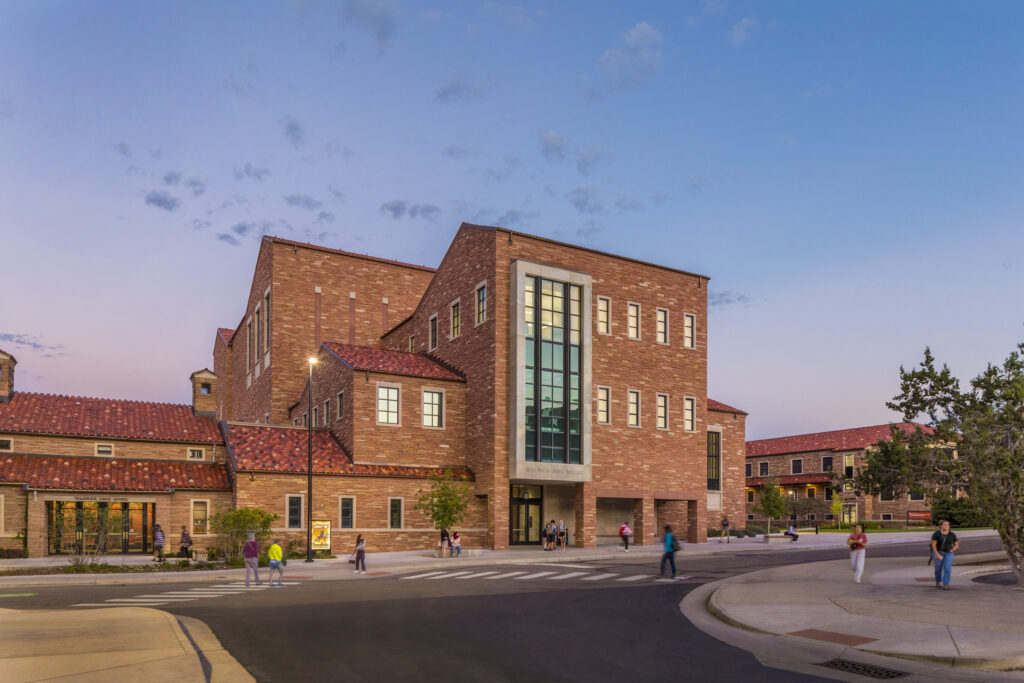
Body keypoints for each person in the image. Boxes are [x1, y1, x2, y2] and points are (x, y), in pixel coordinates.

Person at [931, 520, 959, 590]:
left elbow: (956, 544)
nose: (946, 526)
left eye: (948, 525)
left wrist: (952, 549)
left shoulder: (952, 534)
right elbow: (933, 545)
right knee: (938, 569)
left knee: (947, 568)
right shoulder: (936, 534)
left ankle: (946, 584)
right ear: (941, 526)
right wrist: (936, 554)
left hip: (948, 553)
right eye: (944, 525)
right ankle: (938, 581)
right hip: (938, 552)